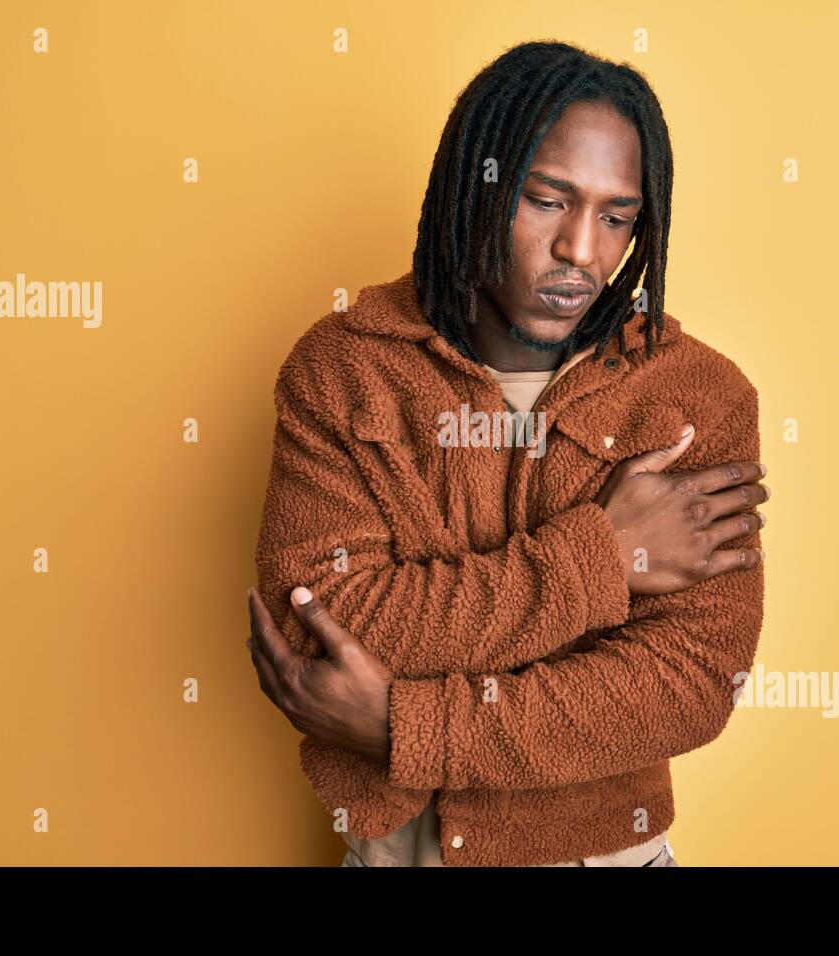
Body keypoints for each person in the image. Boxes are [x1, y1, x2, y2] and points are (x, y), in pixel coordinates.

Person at [248, 39, 768, 867]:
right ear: (475, 187)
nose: (582, 252)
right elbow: (323, 624)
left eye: (616, 216)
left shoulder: (694, 398)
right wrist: (606, 556)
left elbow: (685, 685)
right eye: (545, 200)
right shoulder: (345, 370)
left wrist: (401, 727)